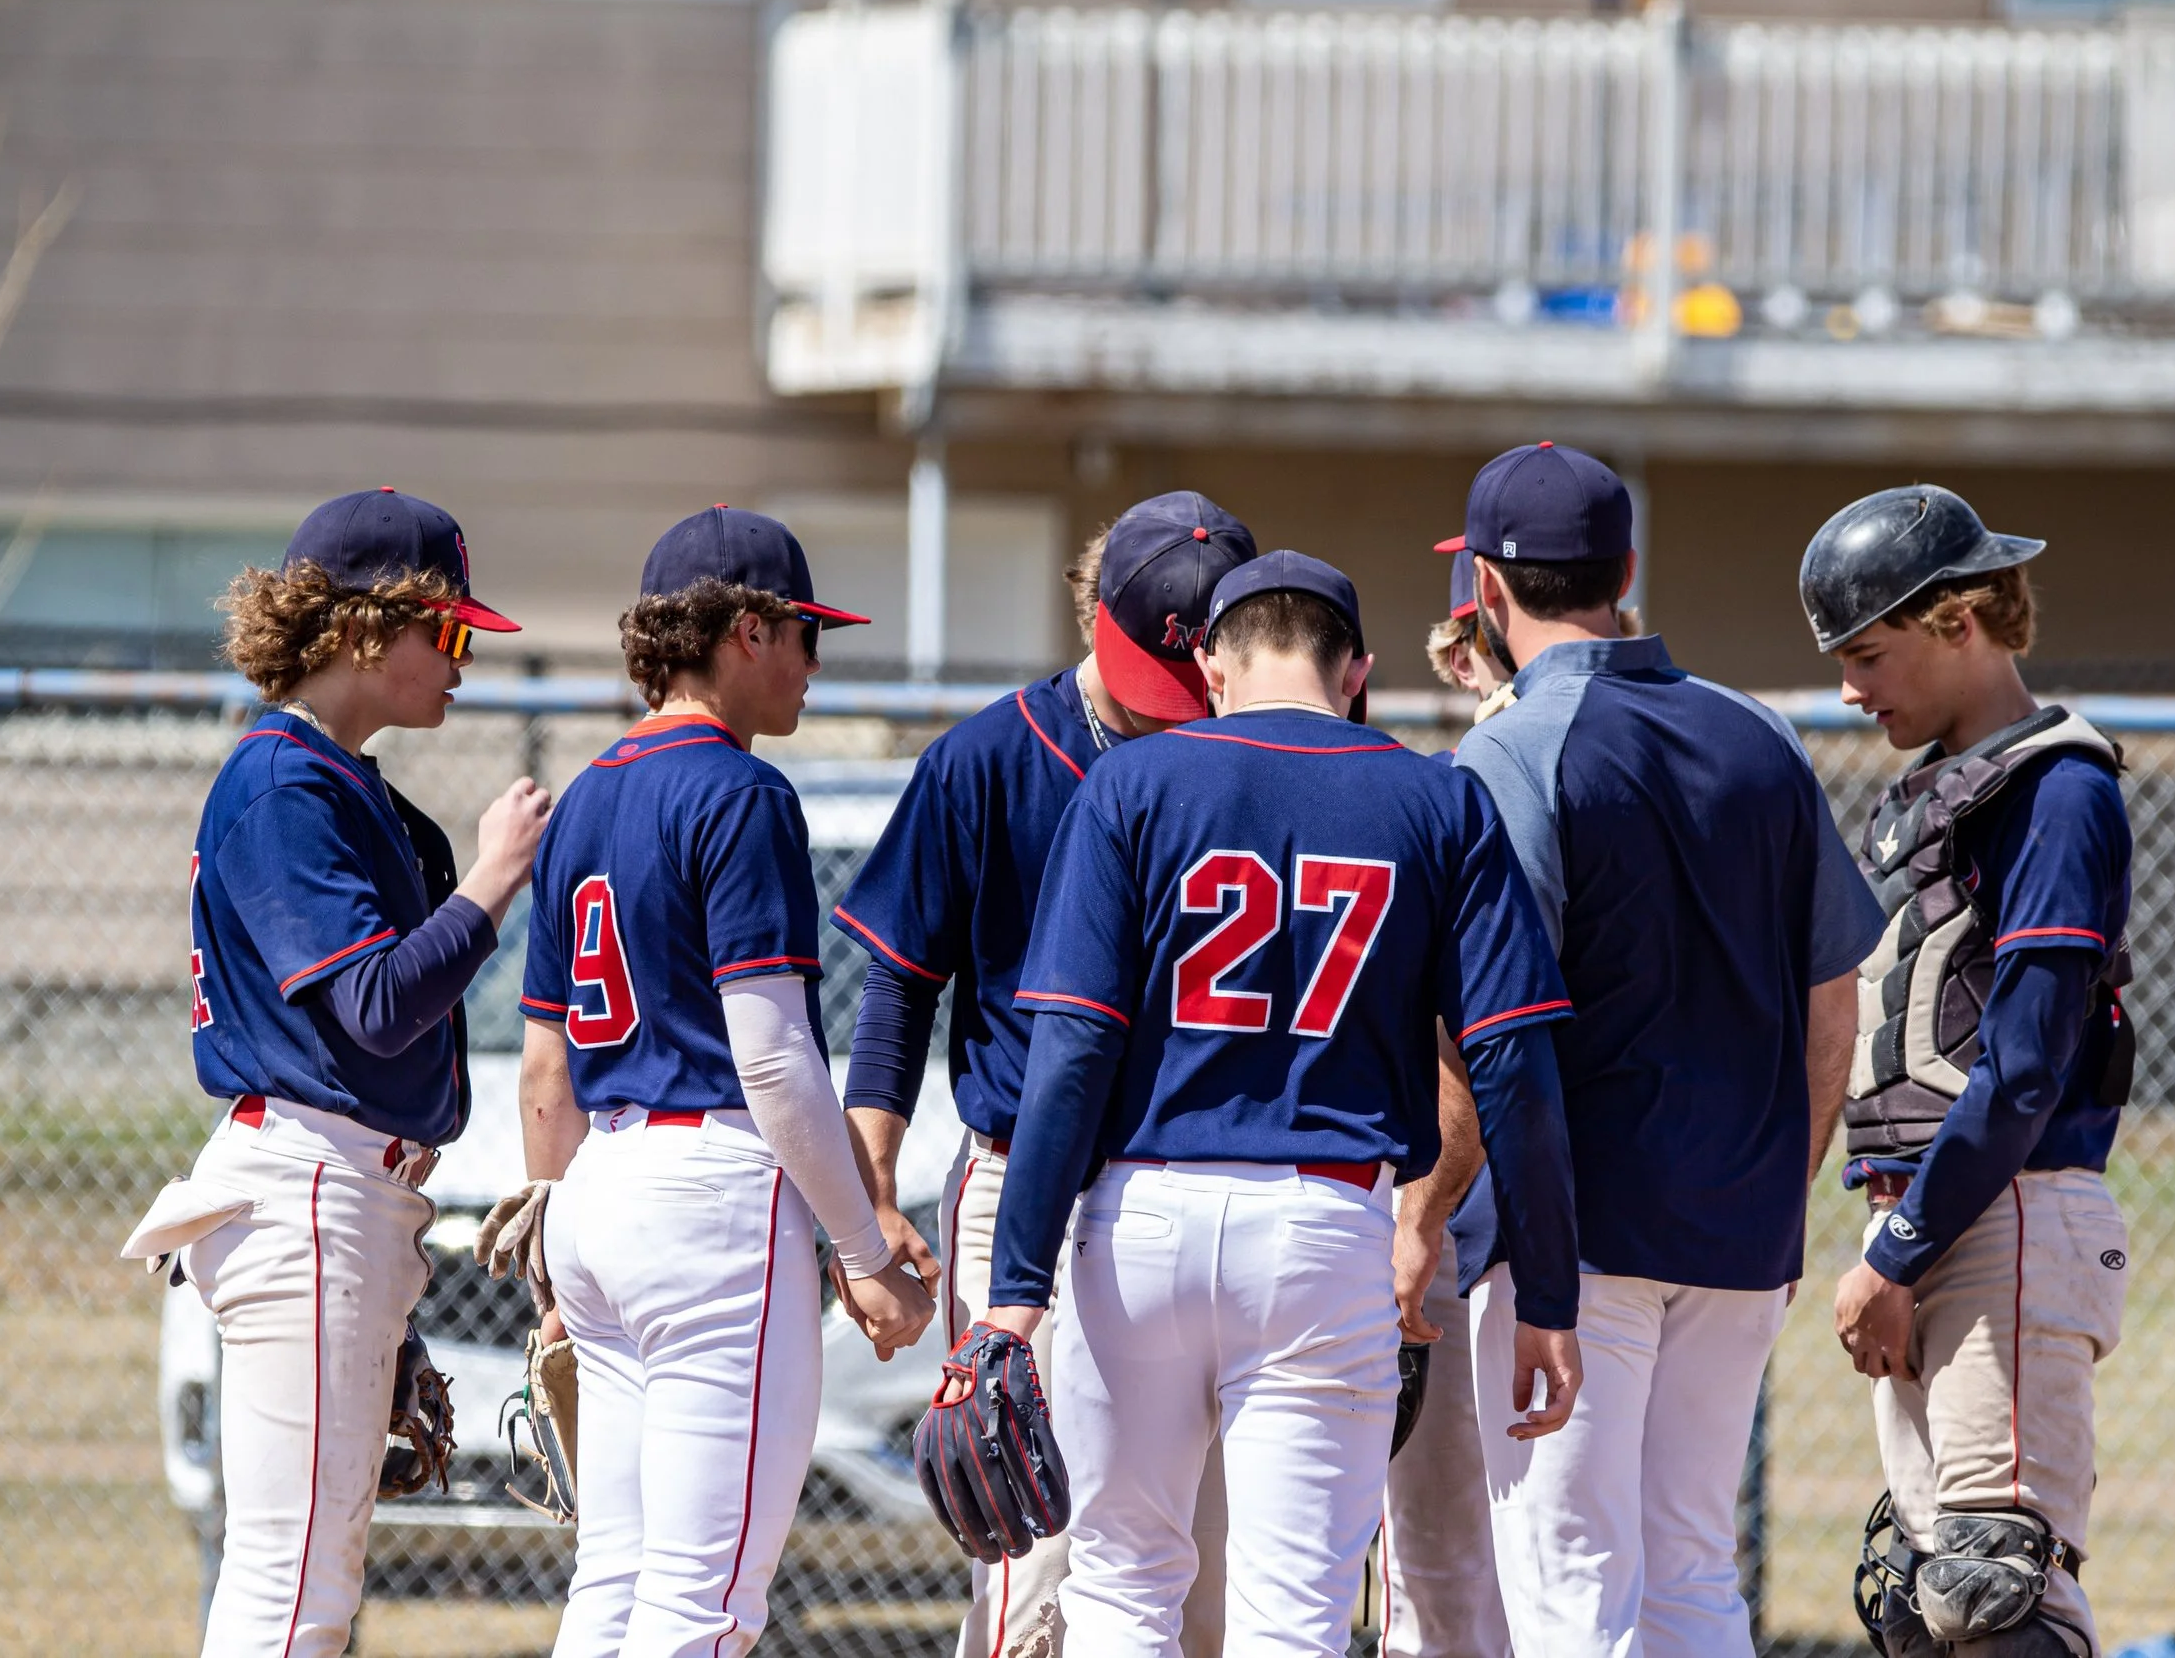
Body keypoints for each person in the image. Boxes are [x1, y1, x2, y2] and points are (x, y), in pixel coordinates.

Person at [977, 549, 1586, 1658]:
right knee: (1291, 1611)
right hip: (1323, 1222)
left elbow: (1068, 1049)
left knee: (1119, 1588)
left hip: (1138, 1218)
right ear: (1356, 670)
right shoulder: (1436, 794)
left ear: (1210, 663)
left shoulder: (1130, 784)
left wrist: (1014, 1289)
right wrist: (1546, 1287)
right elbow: (1512, 1064)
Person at [1435, 442, 1882, 1658]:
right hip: (1737, 1227)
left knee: (1569, 1578)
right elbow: (1832, 993)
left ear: (1482, 584)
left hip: (1577, 1238)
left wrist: (1433, 1221)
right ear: (1624, 570)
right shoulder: (1758, 733)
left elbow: (1490, 1028)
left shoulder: (1513, 748)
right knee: (1690, 1570)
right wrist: (1770, 1188)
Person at [120, 488, 551, 1657]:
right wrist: (493, 882)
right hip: (309, 1181)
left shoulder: (355, 790)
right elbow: (371, 1006)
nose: (463, 661)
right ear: (366, 625)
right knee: (291, 1583)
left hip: (349, 1193)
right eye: (446, 630)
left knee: (313, 1572)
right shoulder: (282, 783)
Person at [831, 490, 1256, 1658]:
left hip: (1203, 1195)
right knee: (1039, 1572)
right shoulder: (987, 756)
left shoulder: (1256, 758)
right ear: (1095, 610)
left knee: (1204, 1582)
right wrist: (867, 1195)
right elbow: (900, 982)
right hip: (1025, 1182)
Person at [507, 505, 935, 1658]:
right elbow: (775, 1056)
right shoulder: (741, 793)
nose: (812, 662)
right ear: (746, 630)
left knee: (616, 1581)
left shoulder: (586, 793)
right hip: (709, 1197)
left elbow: (545, 1066)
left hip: (596, 1184)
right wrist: (860, 1245)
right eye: (803, 632)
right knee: (704, 1604)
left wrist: (554, 1235)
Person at [1801, 485, 2135, 1658]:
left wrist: (1899, 1249)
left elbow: (2030, 1062)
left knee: (1997, 1596)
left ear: (1958, 620)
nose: (1850, 688)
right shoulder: (1940, 790)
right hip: (1940, 1212)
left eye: (1867, 651)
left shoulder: (2055, 790)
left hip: (2006, 1210)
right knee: (1922, 1599)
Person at [1372, 536, 1522, 1658]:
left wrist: (1418, 1222)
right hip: (1538, 1239)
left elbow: (1454, 1042)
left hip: (1455, 1239)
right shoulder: (1445, 787)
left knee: (1442, 1575)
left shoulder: (1459, 790)